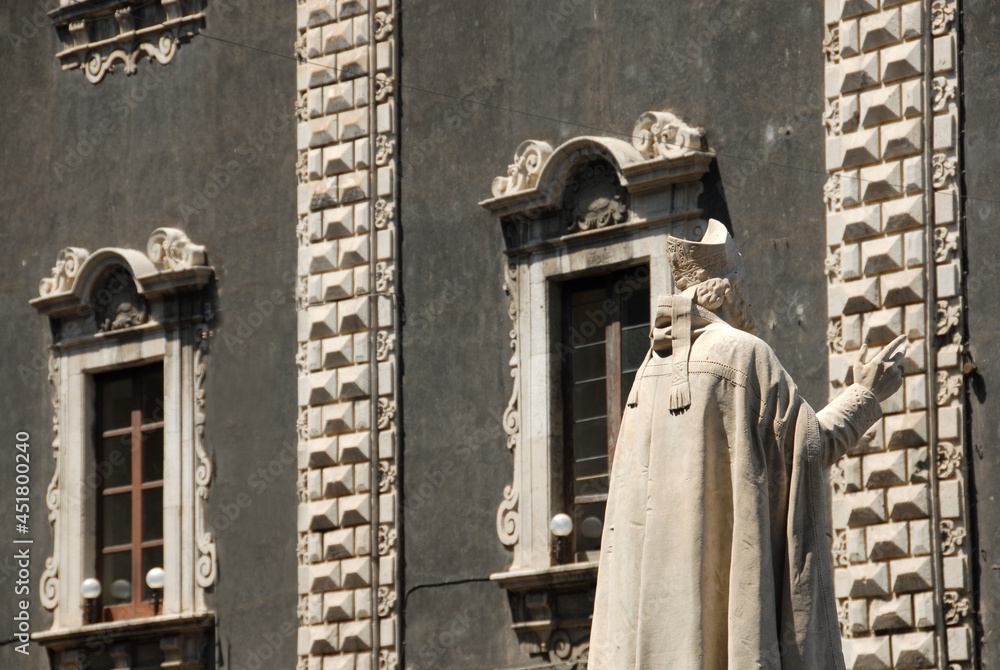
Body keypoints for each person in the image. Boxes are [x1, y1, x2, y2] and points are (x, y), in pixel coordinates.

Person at [588, 219, 906, 669]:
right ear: (729, 288)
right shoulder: (744, 353)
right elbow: (807, 448)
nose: (750, 296)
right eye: (743, 280)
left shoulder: (646, 373)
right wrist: (867, 395)